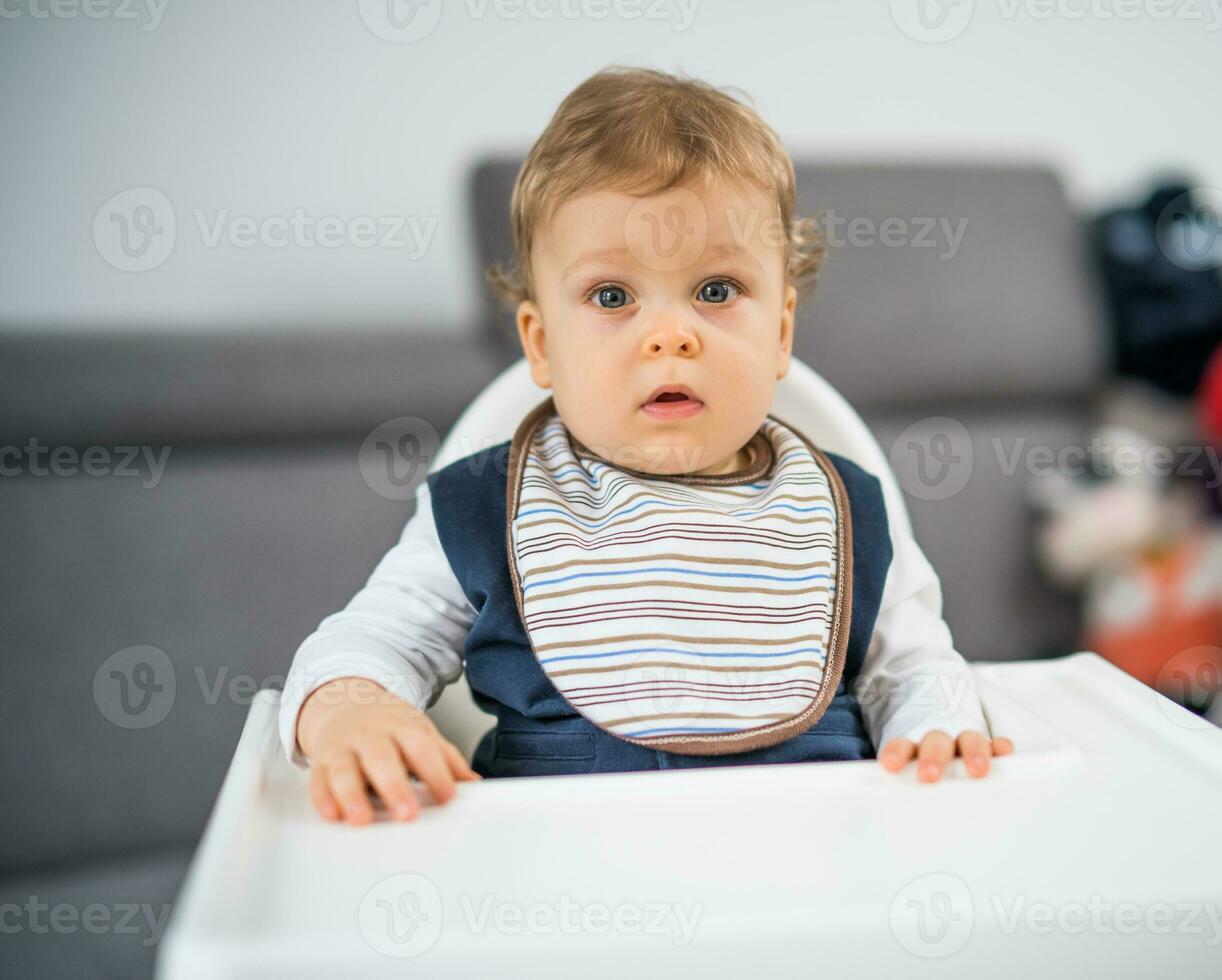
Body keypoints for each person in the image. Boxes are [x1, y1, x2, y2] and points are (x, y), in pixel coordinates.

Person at [280, 66, 1012, 826]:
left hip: (813, 861)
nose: (671, 333)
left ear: (782, 331)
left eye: (717, 291)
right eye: (611, 296)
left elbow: (917, 667)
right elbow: (373, 639)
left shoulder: (845, 509)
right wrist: (350, 711)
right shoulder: (486, 506)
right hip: (556, 872)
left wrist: (936, 735)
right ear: (540, 343)